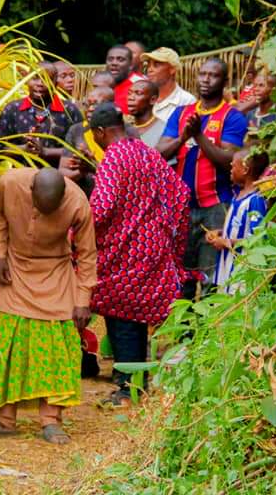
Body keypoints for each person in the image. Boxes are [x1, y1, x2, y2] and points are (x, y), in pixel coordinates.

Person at [87, 103, 195, 405]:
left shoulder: (113, 158)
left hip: (122, 251)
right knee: (136, 315)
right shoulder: (147, 152)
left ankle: (127, 388)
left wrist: (74, 233)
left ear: (100, 132)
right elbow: (180, 195)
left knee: (120, 314)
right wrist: (171, 242)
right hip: (153, 248)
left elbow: (102, 208)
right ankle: (135, 384)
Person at [0, 167, 96, 444]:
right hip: (14, 271)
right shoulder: (8, 183)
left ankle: (51, 421)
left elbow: (88, 254)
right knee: (6, 345)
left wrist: (83, 301)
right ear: (31, 190)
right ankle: (4, 420)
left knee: (56, 349)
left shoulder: (79, 203)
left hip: (55, 272)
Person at [157, 58, 248, 294]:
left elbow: (228, 159)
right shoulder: (181, 113)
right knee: (182, 275)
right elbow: (159, 152)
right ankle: (184, 331)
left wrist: (198, 136)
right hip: (182, 207)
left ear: (224, 81)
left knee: (211, 278)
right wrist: (182, 137)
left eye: (213, 75)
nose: (206, 80)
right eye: (203, 74)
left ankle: (208, 330)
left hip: (216, 207)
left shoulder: (232, 117)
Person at [0, 63, 82, 168]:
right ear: (27, 80)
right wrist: (24, 149)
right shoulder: (12, 109)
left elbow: (80, 151)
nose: (40, 83)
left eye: (46, 79)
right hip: (21, 177)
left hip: (59, 178)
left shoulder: (69, 110)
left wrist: (46, 152)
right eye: (35, 78)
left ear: (55, 84)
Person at [208, 147, 269, 295]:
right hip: (225, 272)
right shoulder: (237, 196)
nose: (230, 168)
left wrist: (226, 242)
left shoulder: (255, 201)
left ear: (245, 169)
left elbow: (257, 239)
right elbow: (240, 227)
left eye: (233, 165)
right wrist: (220, 233)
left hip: (240, 276)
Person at [58, 86, 116, 197]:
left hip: (115, 199)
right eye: (87, 104)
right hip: (84, 198)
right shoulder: (77, 130)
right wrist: (81, 171)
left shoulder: (124, 131)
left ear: (111, 106)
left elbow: (124, 177)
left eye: (96, 104)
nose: (90, 109)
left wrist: (93, 167)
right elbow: (63, 173)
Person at [142, 47, 195, 125]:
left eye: (156, 65)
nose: (150, 69)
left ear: (172, 69)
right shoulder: (143, 98)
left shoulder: (187, 101)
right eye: (148, 65)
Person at [126, 80, 168, 149]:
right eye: (129, 93)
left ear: (153, 100)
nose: (130, 98)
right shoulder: (124, 128)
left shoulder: (164, 130)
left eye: (138, 93)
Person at [105, 45, 145, 115]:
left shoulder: (140, 85)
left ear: (131, 65)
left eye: (120, 59)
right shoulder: (103, 83)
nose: (114, 63)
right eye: (110, 59)